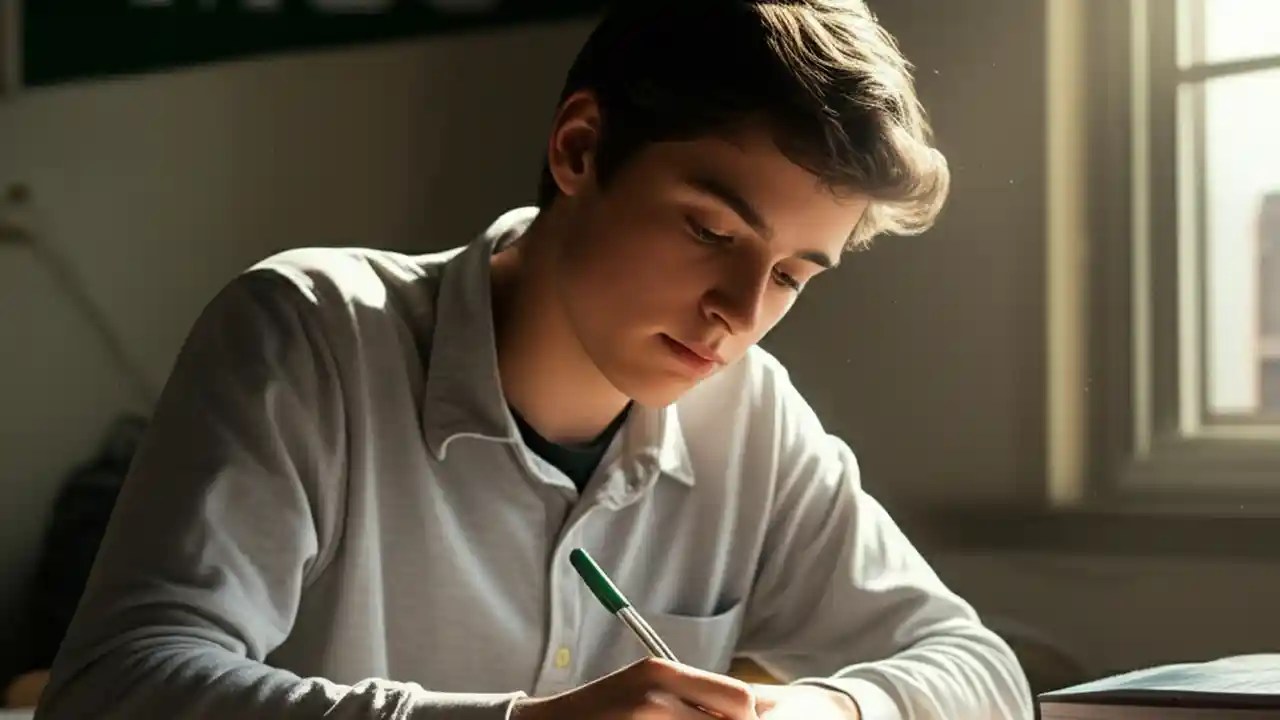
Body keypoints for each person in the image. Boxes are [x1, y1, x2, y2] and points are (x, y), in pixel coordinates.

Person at [35, 1, 1032, 719]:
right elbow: (118, 685)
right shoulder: (310, 334)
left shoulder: (750, 417)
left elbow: (979, 671)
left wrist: (810, 714)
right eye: (708, 229)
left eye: (790, 276)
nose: (737, 314)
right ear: (578, 147)